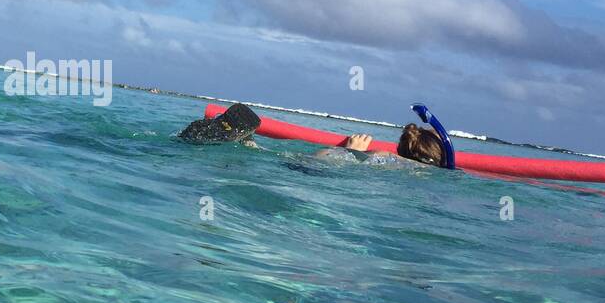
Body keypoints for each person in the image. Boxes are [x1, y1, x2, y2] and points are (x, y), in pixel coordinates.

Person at [180, 102, 455, 167]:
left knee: (281, 160)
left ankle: (242, 140)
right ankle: (243, 143)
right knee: (283, 162)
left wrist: (353, 151)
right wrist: (353, 152)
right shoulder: (401, 165)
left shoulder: (391, 159)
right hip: (331, 166)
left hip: (330, 164)